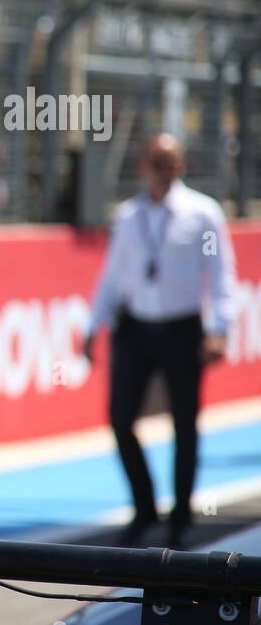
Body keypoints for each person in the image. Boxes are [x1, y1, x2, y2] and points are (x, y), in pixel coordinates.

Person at [83, 134, 238, 549]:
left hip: (181, 329)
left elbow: (222, 274)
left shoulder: (202, 213)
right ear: (143, 167)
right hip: (135, 328)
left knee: (184, 423)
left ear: (180, 166)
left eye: (170, 163)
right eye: (156, 163)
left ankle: (181, 517)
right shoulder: (128, 216)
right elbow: (112, 277)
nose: (163, 171)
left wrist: (220, 329)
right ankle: (145, 507)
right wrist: (92, 326)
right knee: (120, 418)